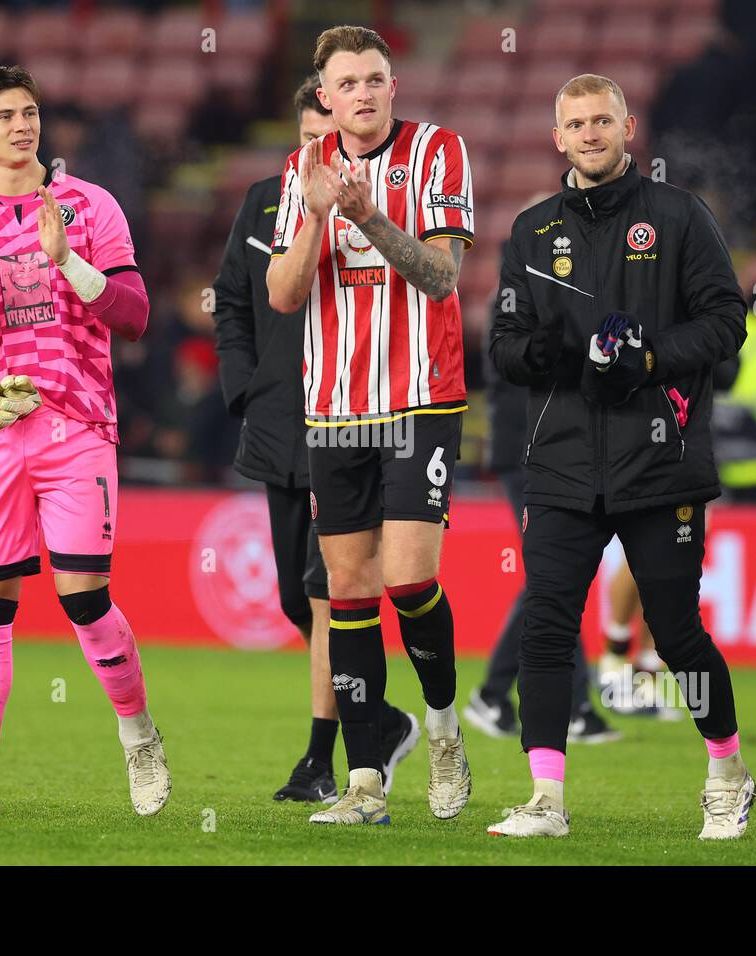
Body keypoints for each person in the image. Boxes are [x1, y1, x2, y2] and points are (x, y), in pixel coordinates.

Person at [488, 74, 752, 839]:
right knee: (546, 624)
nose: (591, 132)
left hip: (658, 462)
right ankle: (546, 800)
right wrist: (544, 349)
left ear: (629, 127)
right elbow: (502, 347)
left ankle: (727, 769)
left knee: (675, 634)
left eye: (603, 119)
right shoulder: (532, 233)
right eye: (576, 123)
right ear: (557, 137)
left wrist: (646, 359)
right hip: (563, 464)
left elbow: (726, 322)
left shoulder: (679, 217)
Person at [0, 66, 166, 817]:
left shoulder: (90, 207)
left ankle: (139, 735)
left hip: (78, 427)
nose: (23, 126)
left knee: (84, 599)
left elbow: (135, 316)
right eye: (5, 116)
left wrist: (67, 261)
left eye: (29, 113)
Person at [267, 26, 474, 826]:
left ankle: (447, 731)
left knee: (409, 580)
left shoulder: (439, 151)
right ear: (324, 94)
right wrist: (320, 216)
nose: (362, 92)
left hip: (420, 395)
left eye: (375, 79)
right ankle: (364, 783)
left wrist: (373, 219)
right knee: (348, 590)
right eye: (346, 82)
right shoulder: (300, 170)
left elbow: (442, 276)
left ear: (393, 86)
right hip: (334, 407)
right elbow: (285, 296)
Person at [213, 77, 419, 803]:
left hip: (346, 416)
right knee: (296, 603)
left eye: (322, 140)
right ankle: (383, 718)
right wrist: (246, 387)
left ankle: (322, 758)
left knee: (331, 595)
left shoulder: (374, 205)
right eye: (304, 140)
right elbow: (232, 302)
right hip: (277, 422)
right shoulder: (265, 203)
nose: (314, 153)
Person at [464, 196, 618, 745]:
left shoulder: (527, 276)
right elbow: (524, 368)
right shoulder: (532, 280)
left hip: (534, 447)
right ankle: (544, 701)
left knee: (553, 575)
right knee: (553, 576)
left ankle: (517, 698)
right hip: (528, 449)